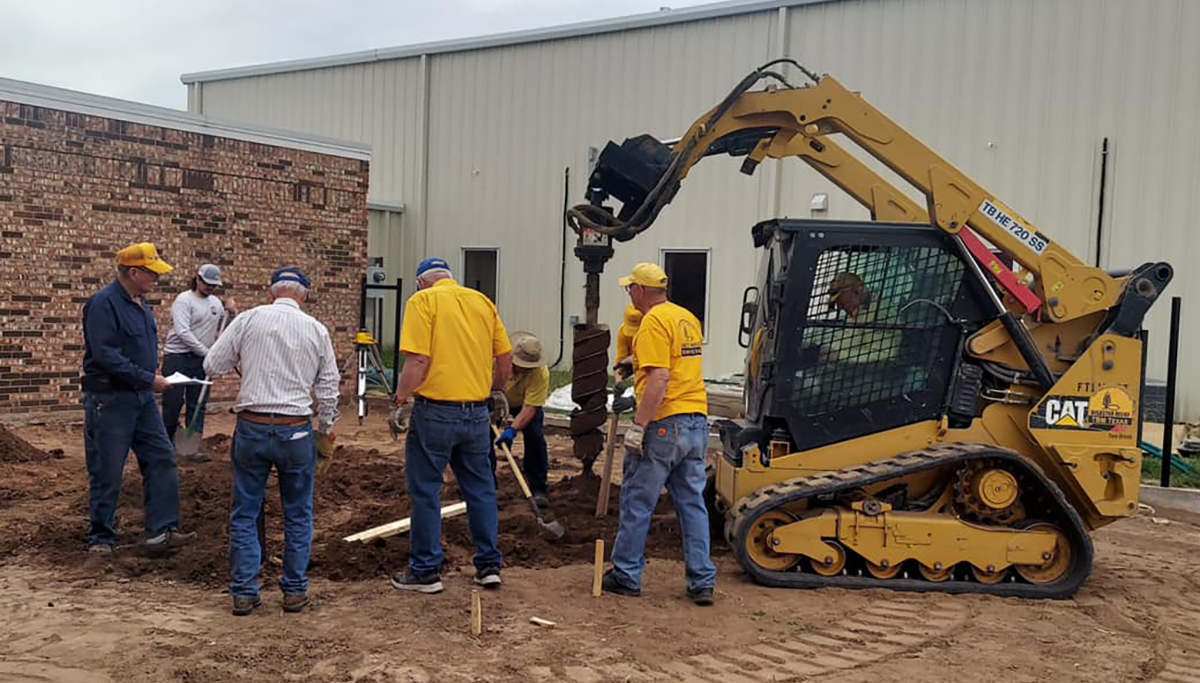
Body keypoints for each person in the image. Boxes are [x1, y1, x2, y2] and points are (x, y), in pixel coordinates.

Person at [204, 266, 341, 616]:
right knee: (298, 513)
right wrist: (326, 429)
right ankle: (294, 591)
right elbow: (328, 387)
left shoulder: (249, 320)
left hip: (251, 427)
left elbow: (212, 363)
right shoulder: (315, 329)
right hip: (296, 430)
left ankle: (245, 592)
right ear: (304, 296)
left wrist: (245, 361)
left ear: (271, 293)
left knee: (246, 511)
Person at [392, 257, 513, 595]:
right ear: (450, 278)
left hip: (435, 413)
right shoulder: (481, 301)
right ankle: (489, 566)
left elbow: (418, 360)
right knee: (481, 489)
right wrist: (497, 390)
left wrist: (401, 400)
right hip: (475, 414)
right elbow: (504, 357)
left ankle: (426, 571)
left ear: (421, 282)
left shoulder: (424, 301)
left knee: (427, 490)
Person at [602, 262, 716, 606]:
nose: (629, 295)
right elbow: (675, 363)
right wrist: (633, 364)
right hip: (696, 421)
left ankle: (626, 574)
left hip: (665, 423)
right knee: (692, 504)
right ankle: (702, 581)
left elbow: (661, 377)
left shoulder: (651, 321)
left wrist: (639, 425)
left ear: (640, 290)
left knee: (638, 501)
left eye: (630, 289)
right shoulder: (685, 318)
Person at [81, 242, 197, 556]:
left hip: (142, 399)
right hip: (111, 399)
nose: (156, 279)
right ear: (134, 272)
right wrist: (149, 379)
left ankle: (162, 531)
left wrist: (150, 379)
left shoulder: (141, 305)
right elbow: (105, 355)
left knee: (162, 458)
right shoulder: (103, 305)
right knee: (107, 469)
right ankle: (101, 538)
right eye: (152, 273)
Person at [161, 264, 237, 459]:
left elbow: (226, 330)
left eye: (214, 285)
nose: (210, 287)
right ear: (198, 279)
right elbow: (182, 332)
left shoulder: (216, 304)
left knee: (198, 403)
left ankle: (190, 448)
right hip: (177, 357)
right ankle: (165, 447)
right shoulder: (184, 301)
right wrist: (206, 352)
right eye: (207, 283)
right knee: (174, 402)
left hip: (201, 361)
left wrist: (232, 313)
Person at [492, 331, 551, 507]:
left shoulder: (540, 374)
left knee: (535, 436)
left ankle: (538, 488)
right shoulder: (494, 363)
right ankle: (487, 487)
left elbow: (530, 408)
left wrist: (512, 430)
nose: (524, 369)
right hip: (493, 398)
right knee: (483, 438)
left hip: (522, 403)